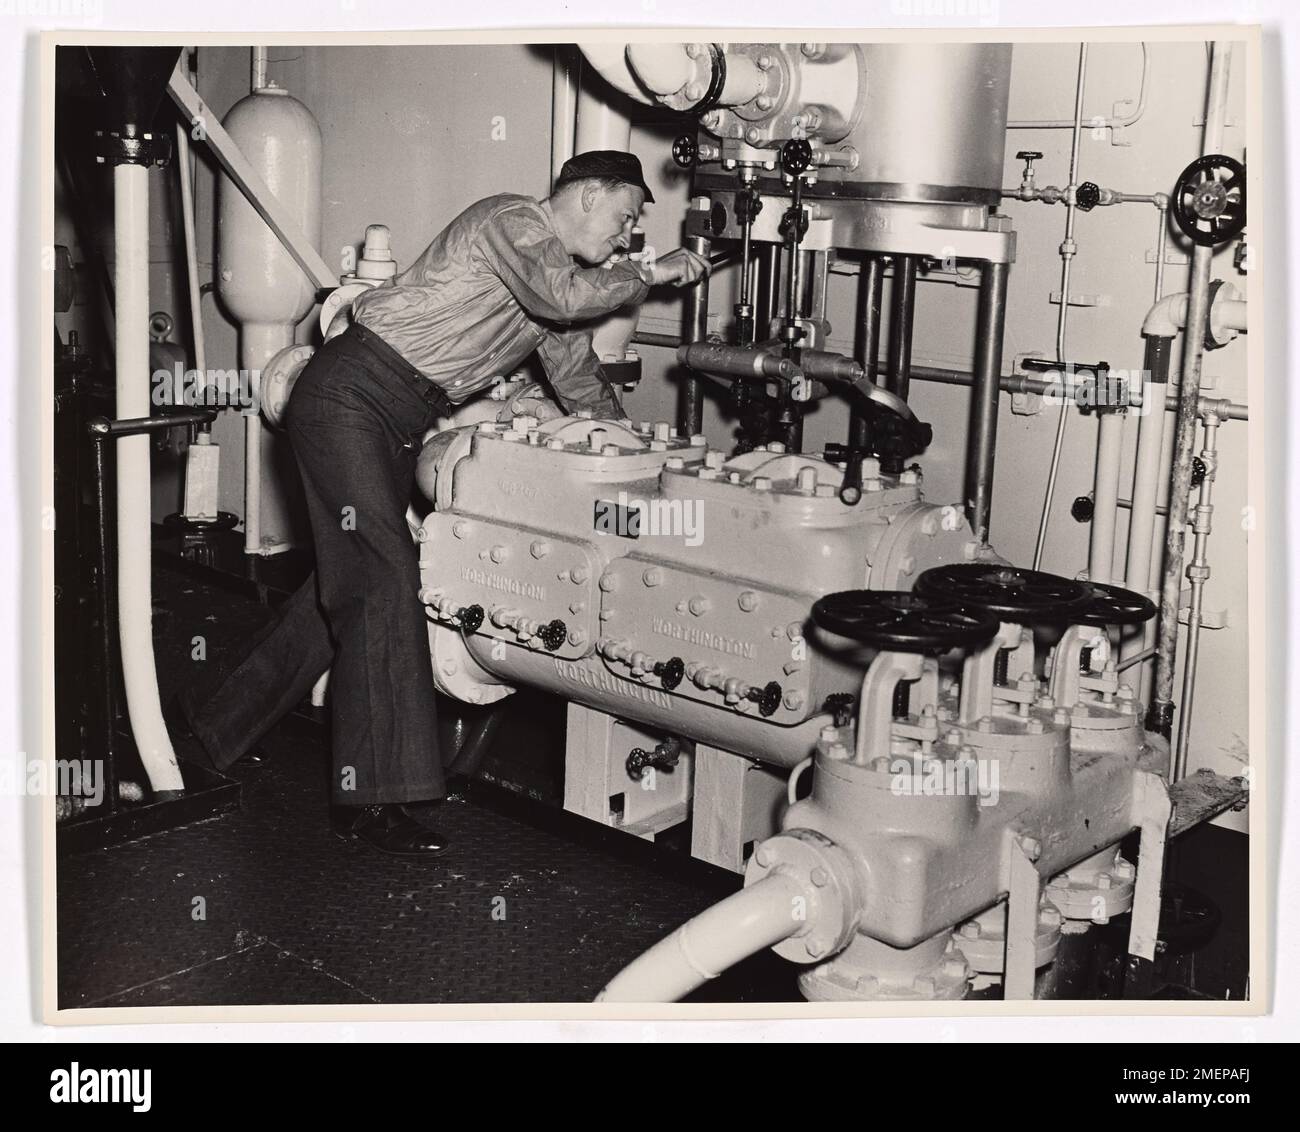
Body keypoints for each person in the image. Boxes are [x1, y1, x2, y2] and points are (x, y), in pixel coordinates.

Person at [174, 151, 709, 857]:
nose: (630, 233)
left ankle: (207, 732)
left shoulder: (551, 288)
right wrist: (653, 271)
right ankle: (373, 798)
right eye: (627, 214)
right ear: (588, 194)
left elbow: (579, 382)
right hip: (351, 395)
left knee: (337, 591)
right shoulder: (514, 222)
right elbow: (565, 299)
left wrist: (647, 458)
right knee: (382, 577)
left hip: (393, 418)